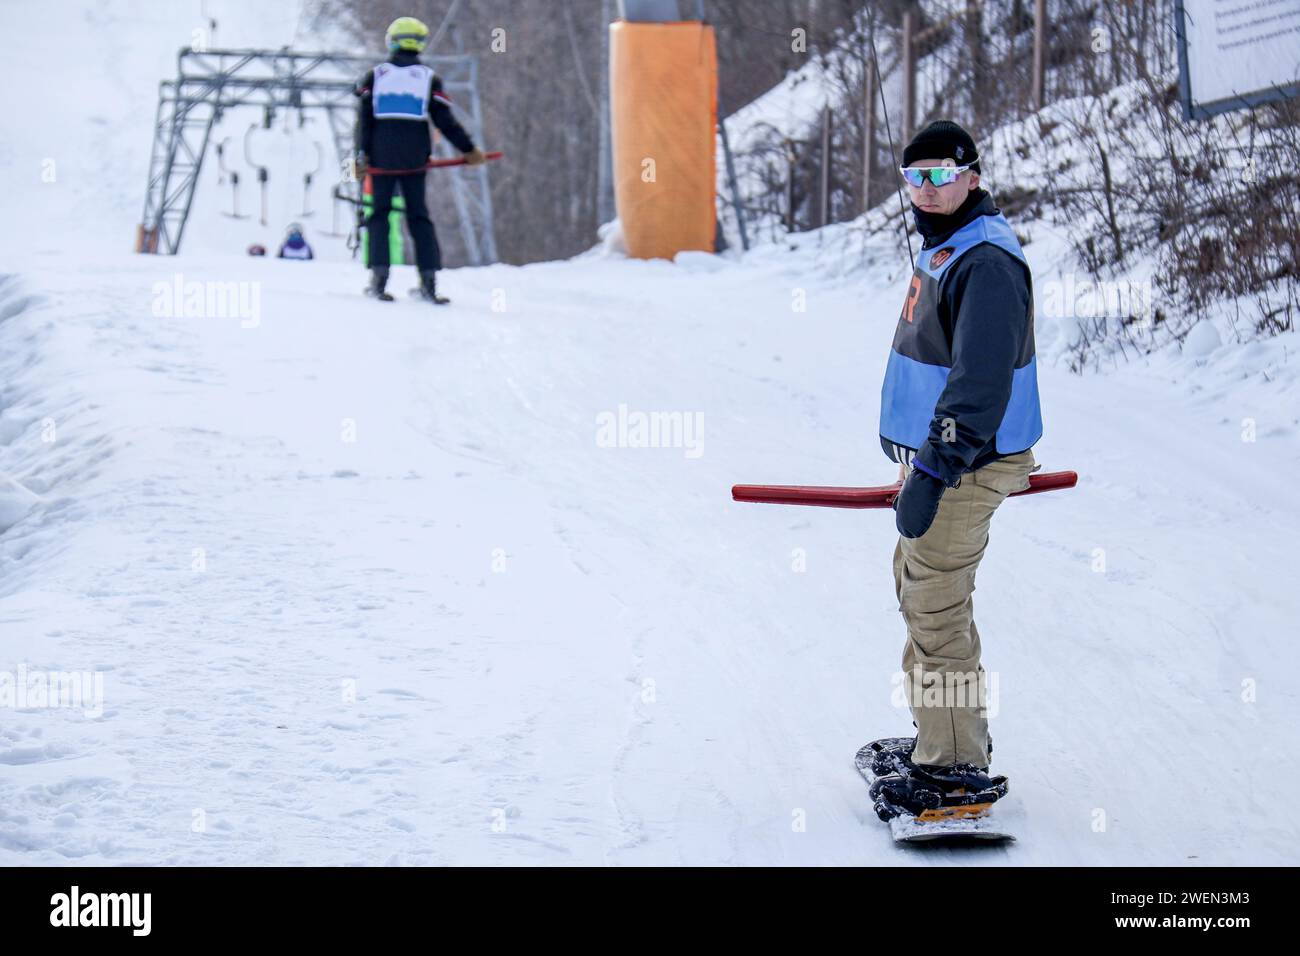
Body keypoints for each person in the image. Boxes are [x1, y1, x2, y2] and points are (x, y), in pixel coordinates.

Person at [870, 120, 1044, 821]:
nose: (929, 190)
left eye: (943, 175)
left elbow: (979, 387)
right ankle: (939, 737)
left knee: (936, 607)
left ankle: (954, 766)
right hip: (945, 463)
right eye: (916, 178)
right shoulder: (948, 247)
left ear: (972, 175)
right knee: (922, 594)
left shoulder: (986, 263)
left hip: (967, 462)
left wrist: (936, 471)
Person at [354, 15, 487, 303]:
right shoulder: (428, 79)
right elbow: (445, 121)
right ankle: (429, 284)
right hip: (415, 160)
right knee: (419, 218)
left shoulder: (374, 77)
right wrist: (469, 150)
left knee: (379, 216)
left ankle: (379, 281)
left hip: (381, 160)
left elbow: (364, 121)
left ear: (392, 41)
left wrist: (360, 156)